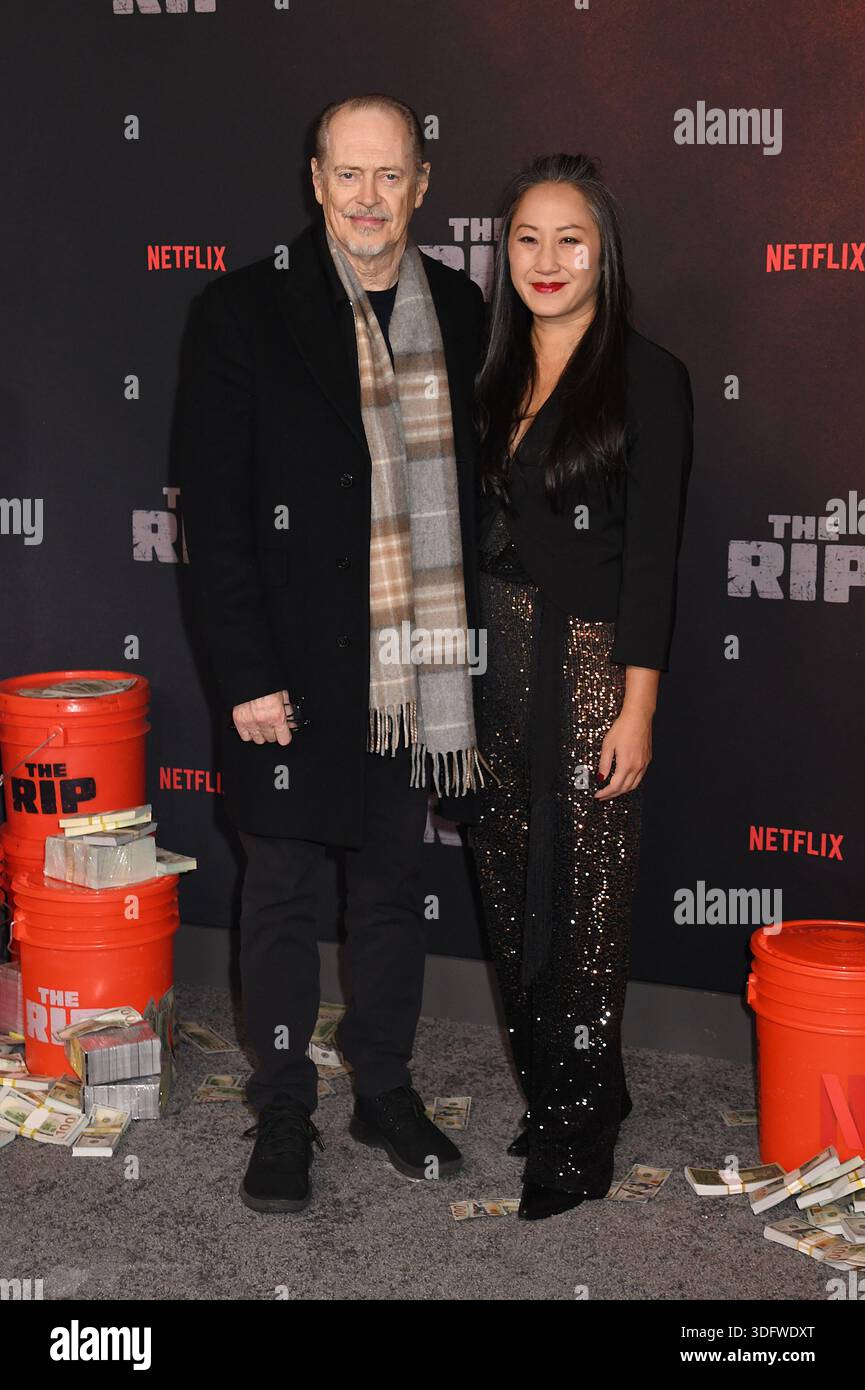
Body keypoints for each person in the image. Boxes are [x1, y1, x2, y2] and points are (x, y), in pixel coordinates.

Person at [177, 93, 487, 1213]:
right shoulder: (242, 310)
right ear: (315, 181)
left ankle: (385, 1089)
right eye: (346, 175)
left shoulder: (460, 307)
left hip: (416, 664)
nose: (367, 198)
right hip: (291, 671)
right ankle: (285, 1107)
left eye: (389, 175)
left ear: (420, 183)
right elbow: (211, 515)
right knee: (283, 891)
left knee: (394, 888)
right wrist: (247, 675)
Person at [469, 153, 693, 1221]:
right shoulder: (486, 366)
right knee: (509, 891)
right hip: (486, 664)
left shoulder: (647, 375)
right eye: (526, 238)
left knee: (583, 905)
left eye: (570, 239)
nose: (546, 260)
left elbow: (654, 555)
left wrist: (636, 703)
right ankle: (577, 1081)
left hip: (590, 662)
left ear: (603, 253)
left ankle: (576, 1132)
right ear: (501, 249)